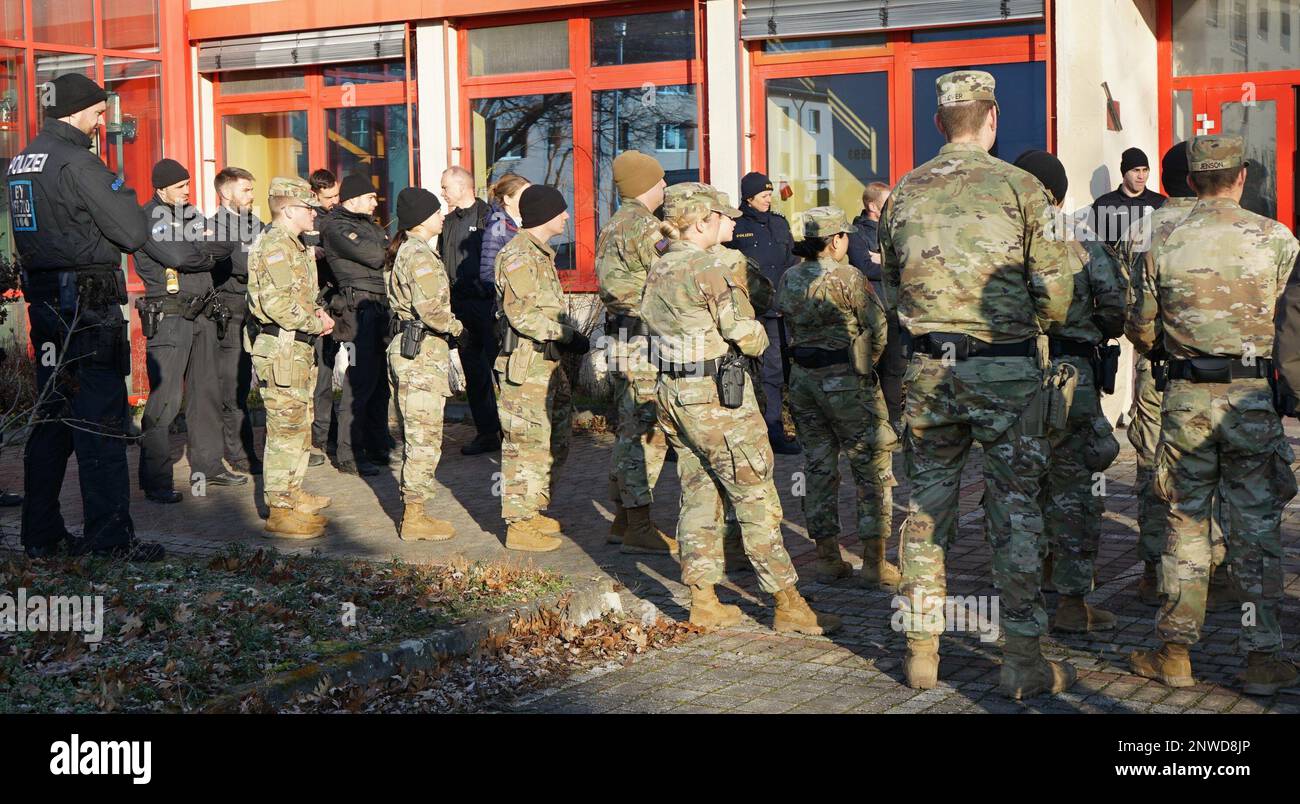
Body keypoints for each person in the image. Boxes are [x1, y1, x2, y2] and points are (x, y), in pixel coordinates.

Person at [879, 70, 1074, 699]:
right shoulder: (1021, 188)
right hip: (1007, 371)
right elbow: (1058, 293)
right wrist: (1030, 329)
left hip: (929, 372)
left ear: (940, 122)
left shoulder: (905, 190)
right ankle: (1020, 661)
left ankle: (921, 651)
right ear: (992, 119)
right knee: (1015, 513)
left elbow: (890, 283)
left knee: (925, 510)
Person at [1127, 135, 1300, 696]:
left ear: (1192, 179)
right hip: (1250, 400)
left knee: (1185, 526)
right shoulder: (1275, 239)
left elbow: (1142, 327)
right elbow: (1288, 322)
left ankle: (1175, 652)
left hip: (1185, 403)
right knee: (1255, 531)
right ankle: (1261, 656)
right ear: (1241, 176)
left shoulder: (1161, 238)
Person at [641, 182, 839, 635]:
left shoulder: (661, 265)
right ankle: (788, 603)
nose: (730, 223)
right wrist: (760, 334)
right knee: (756, 497)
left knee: (698, 493)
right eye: (722, 216)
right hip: (716, 398)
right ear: (700, 221)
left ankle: (703, 598)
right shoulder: (708, 267)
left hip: (674, 391)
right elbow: (745, 334)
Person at [6, 73, 162, 560]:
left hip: (46, 305)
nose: (102, 123)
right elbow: (133, 232)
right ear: (76, 112)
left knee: (52, 418)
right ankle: (110, 538)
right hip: (87, 307)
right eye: (97, 113)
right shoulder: (79, 161)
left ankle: (42, 534)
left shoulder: (20, 162)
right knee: (100, 420)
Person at [1013, 150, 1126, 634]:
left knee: (1021, 485)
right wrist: (1088, 328)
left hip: (1014, 376)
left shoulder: (1002, 241)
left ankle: (1027, 588)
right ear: (1057, 192)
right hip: (1070, 377)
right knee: (1075, 489)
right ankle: (1072, 603)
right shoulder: (1080, 238)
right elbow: (1116, 308)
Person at [1118, 142, 1235, 610]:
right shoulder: (1247, 229)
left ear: (1171, 180)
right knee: (1224, 466)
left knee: (1153, 464)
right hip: (1231, 373)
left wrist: (1153, 352)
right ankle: (1220, 571)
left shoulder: (1145, 229)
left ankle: (1156, 571)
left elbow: (1132, 308)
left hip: (1162, 369)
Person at [777, 206, 900, 589]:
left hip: (804, 382)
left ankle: (827, 558)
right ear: (835, 241)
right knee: (872, 468)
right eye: (845, 236)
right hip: (847, 382)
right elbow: (878, 329)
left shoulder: (789, 278)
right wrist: (864, 364)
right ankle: (875, 563)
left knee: (818, 467)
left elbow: (786, 322)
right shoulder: (849, 277)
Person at [134, 158, 246, 502]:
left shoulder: (190, 213)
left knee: (207, 393)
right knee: (166, 399)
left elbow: (225, 244)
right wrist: (200, 248)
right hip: (169, 318)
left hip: (203, 315)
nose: (187, 190)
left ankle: (208, 467)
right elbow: (179, 256)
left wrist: (198, 248)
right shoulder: (148, 217)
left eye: (187, 184)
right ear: (161, 187)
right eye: (181, 185)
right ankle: (156, 480)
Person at [494, 185, 587, 551]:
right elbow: (522, 316)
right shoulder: (517, 255)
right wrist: (566, 334)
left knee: (557, 437)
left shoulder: (541, 254)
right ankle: (518, 524)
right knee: (525, 444)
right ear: (546, 215)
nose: (567, 217)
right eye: (561, 211)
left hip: (547, 365)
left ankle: (533, 508)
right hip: (526, 365)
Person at [594, 150, 676, 554]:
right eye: (660, 180)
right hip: (644, 341)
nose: (665, 186)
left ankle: (624, 520)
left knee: (629, 426)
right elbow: (670, 273)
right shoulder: (646, 228)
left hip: (622, 338)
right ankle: (638, 524)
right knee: (647, 432)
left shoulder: (612, 225)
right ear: (645, 185)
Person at [245, 177, 334, 538]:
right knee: (284, 430)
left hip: (296, 347)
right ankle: (279, 510)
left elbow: (302, 297)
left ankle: (291, 494)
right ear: (289, 209)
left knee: (298, 426)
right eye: (307, 208)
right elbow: (278, 305)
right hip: (282, 347)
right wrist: (314, 321)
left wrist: (319, 315)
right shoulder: (275, 247)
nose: (314, 214)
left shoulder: (294, 246)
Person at [386, 187, 464, 541]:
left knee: (420, 436)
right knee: (424, 438)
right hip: (420, 356)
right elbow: (432, 311)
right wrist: (460, 330)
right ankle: (414, 517)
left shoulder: (412, 250)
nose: (443, 215)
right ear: (421, 219)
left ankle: (415, 510)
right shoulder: (417, 255)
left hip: (414, 352)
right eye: (437, 211)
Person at [321, 173, 392, 476]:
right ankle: (349, 451)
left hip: (377, 307)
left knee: (379, 385)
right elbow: (377, 255)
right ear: (352, 198)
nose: (375, 203)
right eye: (370, 197)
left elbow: (386, 250)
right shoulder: (336, 225)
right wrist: (384, 249)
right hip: (354, 313)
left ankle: (377, 445)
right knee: (358, 382)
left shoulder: (367, 225)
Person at [725, 171, 800, 454]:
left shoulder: (779, 224)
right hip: (747, 310)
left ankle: (773, 430)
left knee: (774, 371)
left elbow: (791, 261)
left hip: (777, 310)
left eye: (770, 195)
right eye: (764, 195)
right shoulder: (735, 226)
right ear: (749, 197)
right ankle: (742, 431)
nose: (769, 199)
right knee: (740, 369)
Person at [441, 165, 501, 456]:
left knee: (499, 369)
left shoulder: (489, 216)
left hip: (486, 306)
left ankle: (511, 430)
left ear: (463, 187)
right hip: (460, 307)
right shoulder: (448, 221)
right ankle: (487, 433)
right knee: (474, 372)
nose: (442, 193)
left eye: (445, 187)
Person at [209, 166, 265, 475]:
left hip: (257, 311)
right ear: (226, 193)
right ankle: (241, 455)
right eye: (245, 190)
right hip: (231, 313)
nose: (251, 195)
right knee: (233, 389)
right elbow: (245, 264)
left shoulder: (254, 223)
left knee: (254, 385)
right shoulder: (215, 227)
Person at [847, 181, 905, 423]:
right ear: (872, 205)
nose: (893, 204)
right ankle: (871, 422)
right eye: (887, 200)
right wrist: (889, 262)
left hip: (894, 311)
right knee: (869, 370)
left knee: (894, 371)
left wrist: (882, 259)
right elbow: (864, 267)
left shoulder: (895, 228)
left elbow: (907, 260)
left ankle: (893, 422)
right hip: (872, 311)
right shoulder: (857, 233)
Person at [306, 168, 340, 467]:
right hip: (309, 305)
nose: (335, 201)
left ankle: (326, 431)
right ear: (314, 194)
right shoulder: (306, 220)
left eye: (337, 195)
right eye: (329, 197)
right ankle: (315, 435)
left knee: (326, 373)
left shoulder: (337, 217)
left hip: (332, 302)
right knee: (312, 376)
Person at [1092, 146, 1167, 247]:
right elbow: (1094, 245)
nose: (1141, 176)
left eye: (1145, 170)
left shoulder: (1160, 203)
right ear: (1124, 172)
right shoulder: (1103, 204)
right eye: (1136, 170)